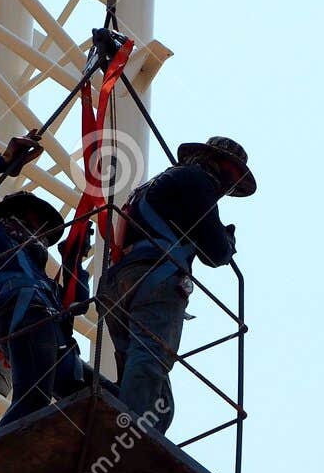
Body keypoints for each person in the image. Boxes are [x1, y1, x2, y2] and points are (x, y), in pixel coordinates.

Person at [98, 136, 256, 435]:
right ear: (215, 164)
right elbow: (216, 252)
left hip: (119, 283)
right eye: (232, 176)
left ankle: (120, 428)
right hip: (156, 278)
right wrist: (228, 241)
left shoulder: (157, 186)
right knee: (148, 362)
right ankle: (126, 436)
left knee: (156, 398)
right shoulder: (198, 180)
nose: (228, 187)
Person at [0, 138, 90, 427]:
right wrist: (2, 161)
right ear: (9, 219)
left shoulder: (43, 279)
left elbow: (77, 303)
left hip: (55, 340)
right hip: (25, 319)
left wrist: (74, 259)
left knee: (105, 397)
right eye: (30, 221)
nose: (38, 232)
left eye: (43, 230)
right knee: (33, 398)